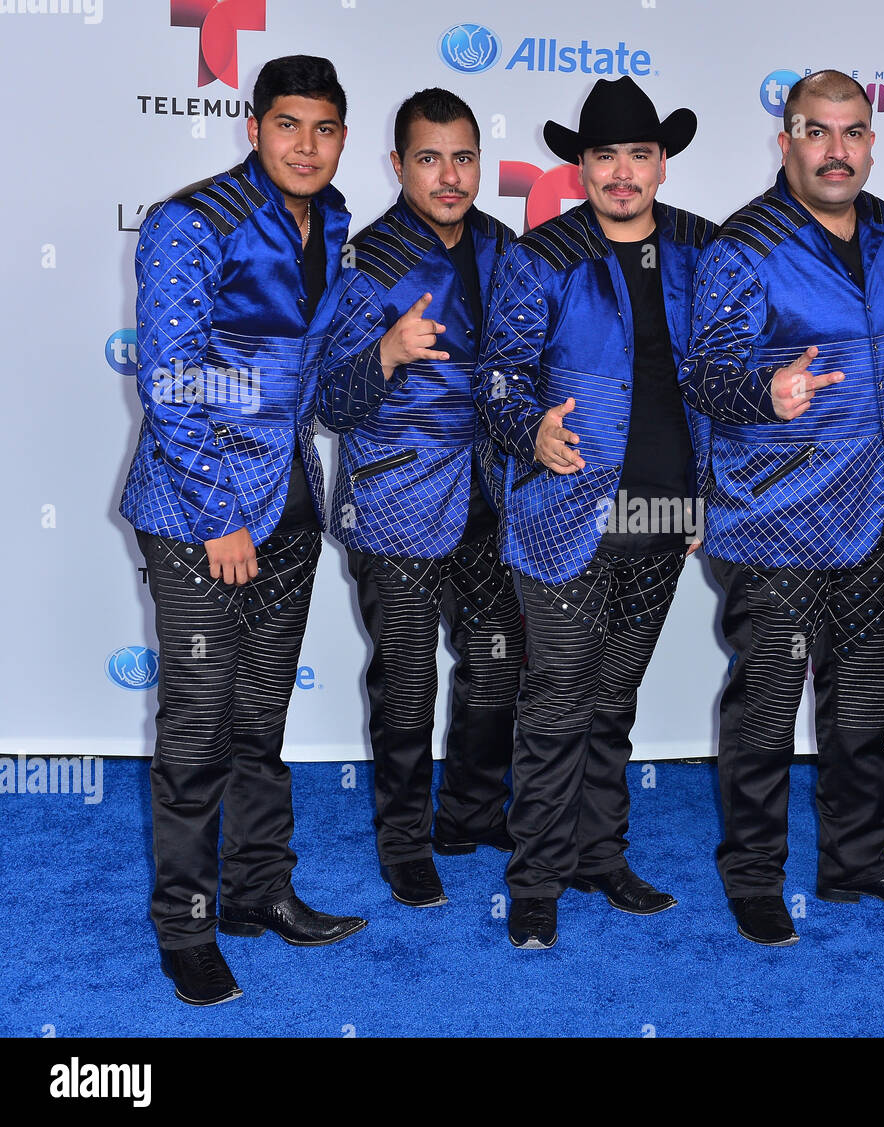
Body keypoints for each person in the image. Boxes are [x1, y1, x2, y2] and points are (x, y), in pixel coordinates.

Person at [680, 70, 884, 947]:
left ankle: (855, 860)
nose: (836, 150)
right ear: (787, 140)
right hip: (775, 519)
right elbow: (703, 378)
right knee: (767, 710)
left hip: (874, 506)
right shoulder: (744, 246)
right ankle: (755, 876)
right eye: (817, 132)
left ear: (872, 142)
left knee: (862, 706)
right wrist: (766, 389)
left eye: (852, 133)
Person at [120, 56, 366, 1006]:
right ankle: (184, 927)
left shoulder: (334, 217)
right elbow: (173, 382)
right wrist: (220, 515)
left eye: (325, 128)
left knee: (262, 725)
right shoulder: (193, 221)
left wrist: (380, 351)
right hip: (198, 515)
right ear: (254, 127)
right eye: (288, 125)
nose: (307, 146)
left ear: (343, 137)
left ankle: (259, 894)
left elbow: (318, 368)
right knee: (197, 732)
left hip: (293, 503)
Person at [475, 76, 715, 949]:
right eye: (605, 155)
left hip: (666, 511)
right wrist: (526, 428)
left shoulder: (702, 248)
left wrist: (712, 497)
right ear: (581, 167)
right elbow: (497, 375)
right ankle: (534, 879)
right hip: (564, 510)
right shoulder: (541, 254)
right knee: (557, 701)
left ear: (661, 163)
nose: (623, 171)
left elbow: (724, 384)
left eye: (639, 154)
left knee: (615, 698)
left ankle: (600, 855)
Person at [315, 88, 523, 908]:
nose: (449, 175)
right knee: (405, 684)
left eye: (463, 157)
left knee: (500, 663)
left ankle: (470, 810)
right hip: (395, 504)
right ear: (398, 165)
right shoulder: (367, 262)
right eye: (429, 158)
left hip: (490, 501)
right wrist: (388, 354)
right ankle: (404, 841)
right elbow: (331, 402)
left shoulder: (507, 248)